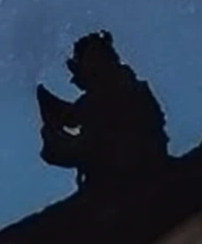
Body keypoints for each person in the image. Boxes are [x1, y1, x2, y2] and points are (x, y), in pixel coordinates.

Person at [36, 30, 169, 190]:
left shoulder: (113, 95)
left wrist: (51, 135)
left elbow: (77, 148)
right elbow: (71, 118)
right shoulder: (122, 90)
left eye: (79, 65)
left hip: (128, 188)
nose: (74, 77)